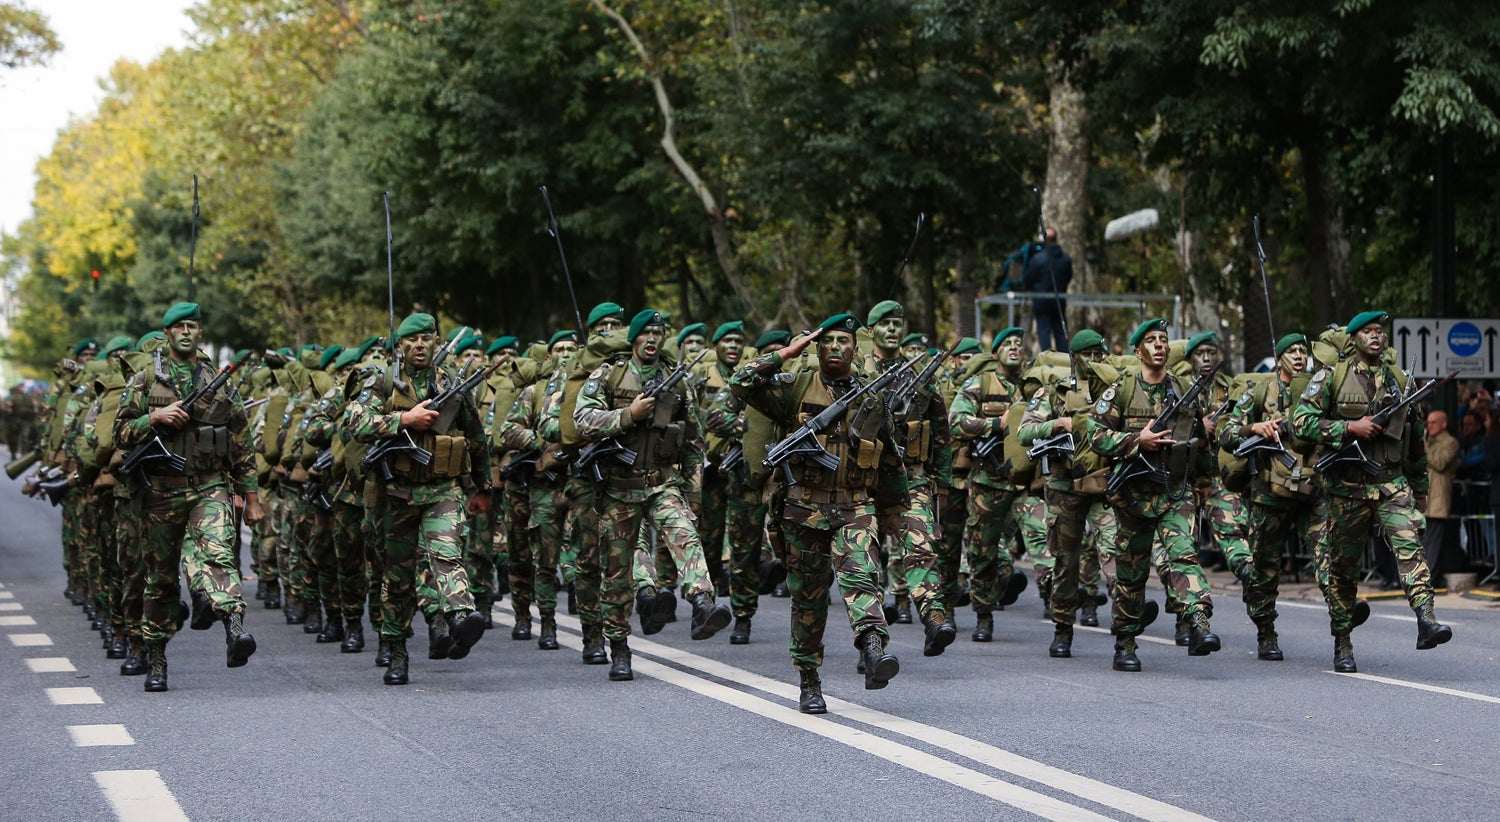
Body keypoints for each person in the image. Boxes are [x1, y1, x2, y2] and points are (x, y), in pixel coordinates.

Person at [731, 315, 909, 714]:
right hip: (804, 507)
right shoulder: (794, 387)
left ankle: (872, 647)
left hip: (855, 505)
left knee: (863, 578)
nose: (834, 348)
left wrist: (896, 510)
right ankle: (809, 680)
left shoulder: (870, 394)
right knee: (808, 601)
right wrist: (784, 355)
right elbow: (740, 383)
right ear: (815, 346)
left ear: (854, 348)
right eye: (826, 341)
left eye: (843, 341)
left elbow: (890, 455)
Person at [573, 309, 732, 682]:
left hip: (662, 482)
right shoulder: (609, 374)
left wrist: (692, 494)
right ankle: (620, 648)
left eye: (658, 333)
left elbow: (694, 442)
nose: (652, 339)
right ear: (633, 338)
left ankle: (702, 602)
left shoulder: (675, 381)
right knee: (616, 574)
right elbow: (583, 420)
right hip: (618, 488)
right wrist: (628, 414)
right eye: (645, 333)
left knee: (685, 535)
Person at [114, 302, 265, 692]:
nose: (185, 332)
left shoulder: (218, 379)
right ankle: (157, 660)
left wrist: (251, 497)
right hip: (160, 491)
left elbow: (241, 442)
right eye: (178, 326)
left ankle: (235, 630)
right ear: (166, 335)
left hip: (208, 484)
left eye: (192, 326)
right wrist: (155, 418)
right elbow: (119, 433)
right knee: (160, 580)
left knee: (218, 552)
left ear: (199, 334)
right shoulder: (147, 378)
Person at [1292, 310, 1452, 672]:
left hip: (1390, 484)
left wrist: (1421, 487)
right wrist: (1350, 428)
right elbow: (1301, 423)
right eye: (1368, 331)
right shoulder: (1331, 377)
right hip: (1347, 489)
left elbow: (1413, 441)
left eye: (1380, 331)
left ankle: (1426, 618)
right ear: (1354, 339)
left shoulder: (1399, 380)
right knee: (1343, 569)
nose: (1376, 336)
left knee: (1410, 545)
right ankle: (1343, 641)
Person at [345, 312, 492, 685]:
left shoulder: (453, 384)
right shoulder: (381, 381)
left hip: (443, 489)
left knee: (446, 552)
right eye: (412, 340)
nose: (420, 345)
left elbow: (476, 438)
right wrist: (403, 420)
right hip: (396, 493)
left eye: (427, 338)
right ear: (400, 346)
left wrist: (482, 488)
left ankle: (460, 615)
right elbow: (355, 421)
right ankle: (395, 650)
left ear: (437, 342)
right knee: (397, 578)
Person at [1086, 319, 1219, 670]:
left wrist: (1205, 481)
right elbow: (1094, 435)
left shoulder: (1184, 390)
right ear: (1138, 350)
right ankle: (1126, 642)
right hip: (1132, 497)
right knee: (1131, 574)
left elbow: (1200, 442)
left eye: (1163, 340)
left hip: (1174, 492)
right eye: (1151, 340)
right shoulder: (1122, 390)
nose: (1159, 345)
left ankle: (1199, 622)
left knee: (1183, 555)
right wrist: (1134, 441)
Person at [1421, 410, 1460, 588]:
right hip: (1426, 498)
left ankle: (1432, 579)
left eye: (1433, 423)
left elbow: (1439, 462)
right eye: (1428, 423)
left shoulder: (1450, 442)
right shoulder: (1429, 441)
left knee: (1434, 543)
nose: (1429, 426)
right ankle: (1427, 577)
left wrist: (1422, 445)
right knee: (1425, 542)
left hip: (1438, 499)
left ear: (1444, 423)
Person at [1022, 227, 1073, 352]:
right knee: (1060, 330)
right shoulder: (1065, 259)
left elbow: (1027, 279)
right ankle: (1064, 358)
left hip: (1041, 300)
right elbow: (1068, 277)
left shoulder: (1038, 258)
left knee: (1044, 330)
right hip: (1059, 300)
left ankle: (1047, 357)